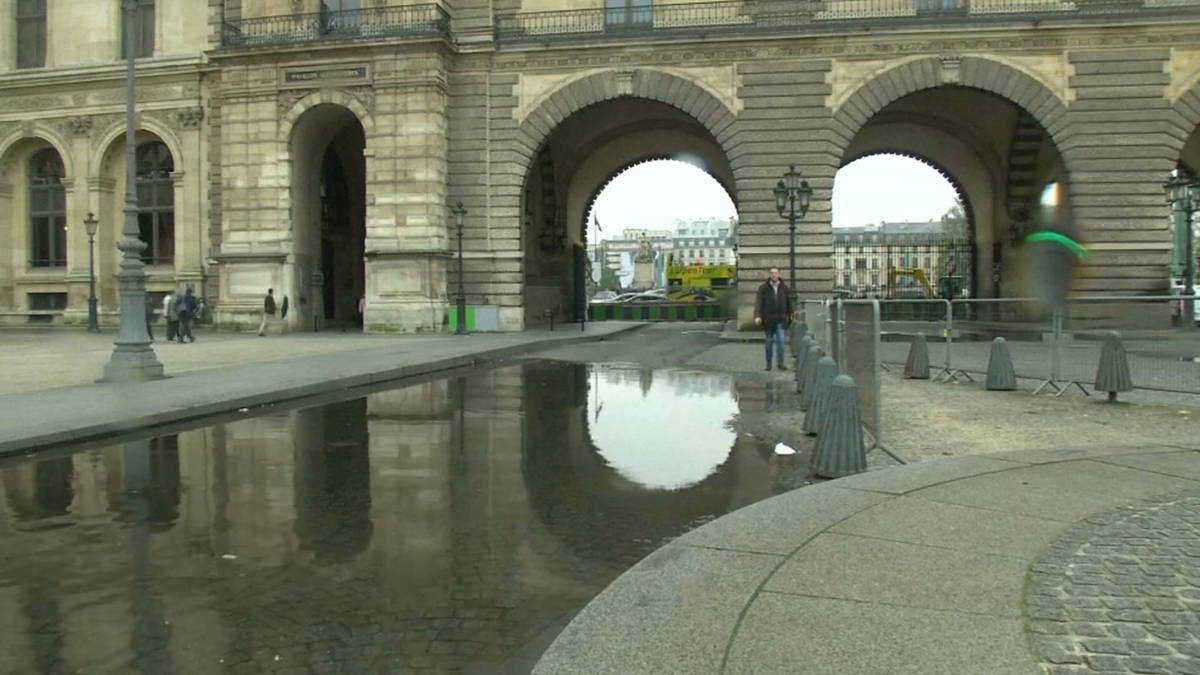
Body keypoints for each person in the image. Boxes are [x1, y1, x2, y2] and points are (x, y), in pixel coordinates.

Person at [754, 266, 794, 371]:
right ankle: (768, 364)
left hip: (781, 319)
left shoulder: (784, 288)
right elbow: (758, 303)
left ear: (779, 274)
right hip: (768, 320)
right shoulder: (763, 288)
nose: (774, 275)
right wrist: (758, 316)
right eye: (772, 273)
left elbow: (789, 302)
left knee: (781, 342)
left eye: (775, 273)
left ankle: (781, 363)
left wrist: (791, 314)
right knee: (769, 343)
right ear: (769, 274)